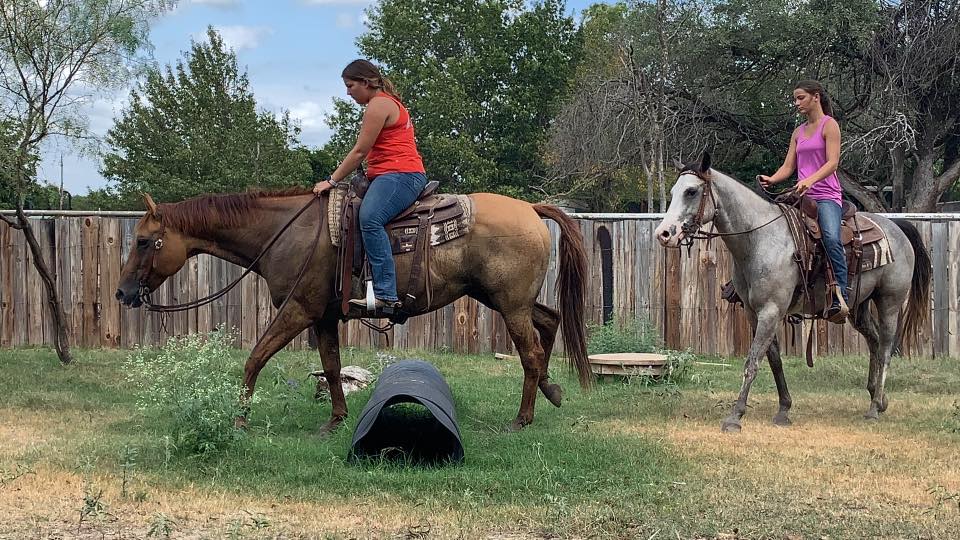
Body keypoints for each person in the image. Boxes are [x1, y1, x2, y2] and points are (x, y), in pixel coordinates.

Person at [313, 59, 428, 311]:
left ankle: (385, 293)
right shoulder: (385, 103)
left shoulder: (379, 105)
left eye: (350, 85)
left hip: (401, 175)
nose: (347, 92)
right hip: (391, 174)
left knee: (370, 218)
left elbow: (359, 152)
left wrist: (331, 181)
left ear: (366, 82)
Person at [759, 80, 849, 322]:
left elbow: (832, 163)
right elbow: (789, 167)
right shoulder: (798, 133)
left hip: (826, 196)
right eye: (795, 98)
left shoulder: (829, 126)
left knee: (830, 237)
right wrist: (772, 178)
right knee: (780, 237)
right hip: (800, 197)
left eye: (800, 98)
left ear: (815, 97)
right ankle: (793, 295)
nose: (796, 102)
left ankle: (841, 292)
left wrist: (809, 180)